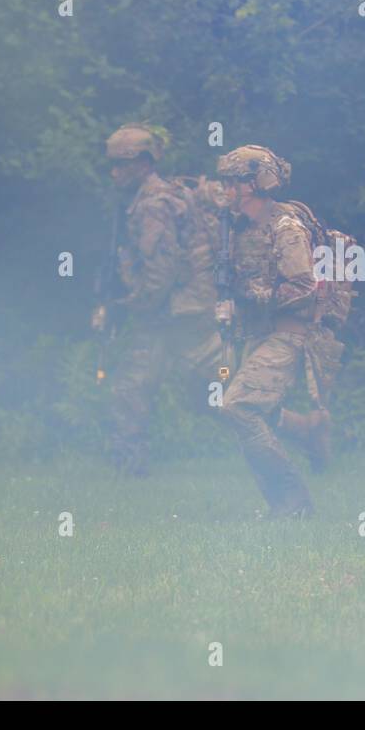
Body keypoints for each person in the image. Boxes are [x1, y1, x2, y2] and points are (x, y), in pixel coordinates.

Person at [96, 123, 225, 476]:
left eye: (122, 165)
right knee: (212, 395)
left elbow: (160, 273)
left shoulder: (152, 205)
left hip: (171, 315)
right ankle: (299, 428)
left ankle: (128, 467)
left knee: (129, 387)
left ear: (143, 164)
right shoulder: (164, 196)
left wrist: (134, 307)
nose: (115, 172)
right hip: (188, 311)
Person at [213, 145, 325, 516]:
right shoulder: (238, 229)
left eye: (235, 182)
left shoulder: (285, 227)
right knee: (247, 409)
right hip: (256, 335)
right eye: (226, 182)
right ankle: (309, 431)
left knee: (238, 406)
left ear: (257, 184)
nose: (227, 190)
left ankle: (294, 504)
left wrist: (256, 296)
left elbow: (305, 286)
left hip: (287, 335)